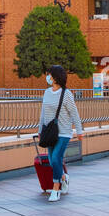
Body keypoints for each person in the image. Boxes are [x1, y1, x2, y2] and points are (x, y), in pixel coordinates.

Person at [41, 64, 84, 203]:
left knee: (55, 158)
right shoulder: (47, 92)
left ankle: (56, 189)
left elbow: (74, 113)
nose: (47, 77)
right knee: (53, 161)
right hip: (50, 133)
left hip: (64, 133)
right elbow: (43, 113)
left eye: (49, 75)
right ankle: (64, 178)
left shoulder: (66, 94)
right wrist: (40, 130)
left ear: (55, 77)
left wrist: (79, 131)